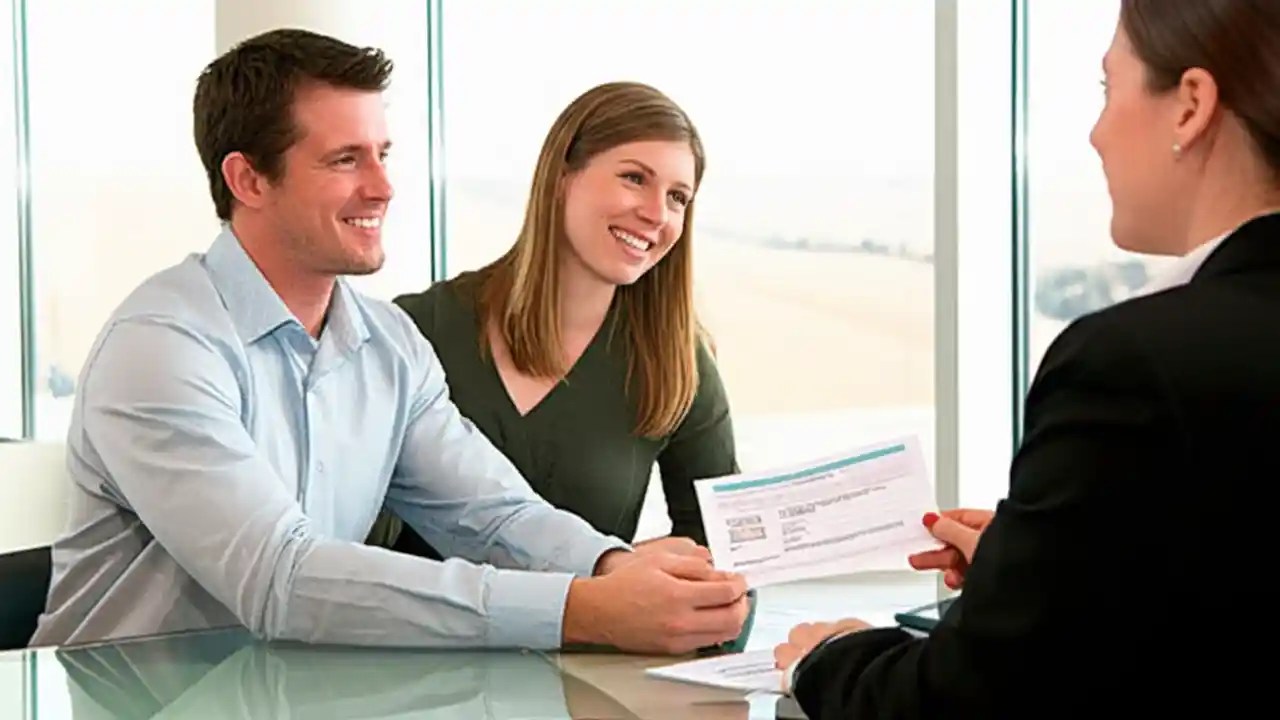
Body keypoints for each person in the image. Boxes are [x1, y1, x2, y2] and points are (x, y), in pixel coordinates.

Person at [29, 28, 749, 656]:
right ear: (248, 178)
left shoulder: (388, 344)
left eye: (383, 153)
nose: (383, 187)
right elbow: (281, 579)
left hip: (294, 692)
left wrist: (609, 567)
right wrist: (579, 610)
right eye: (345, 160)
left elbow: (491, 513)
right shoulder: (162, 347)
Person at [774, 0, 1280, 716]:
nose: (1096, 133)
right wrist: (1043, 571)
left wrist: (828, 657)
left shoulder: (1131, 365)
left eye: (1109, 90)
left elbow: (963, 701)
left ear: (1191, 105)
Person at [366, 81, 737, 559]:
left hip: (589, 636)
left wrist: (618, 578)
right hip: (413, 631)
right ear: (562, 177)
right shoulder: (418, 329)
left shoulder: (675, 359)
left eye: (678, 197)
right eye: (634, 178)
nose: (655, 213)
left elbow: (719, 541)